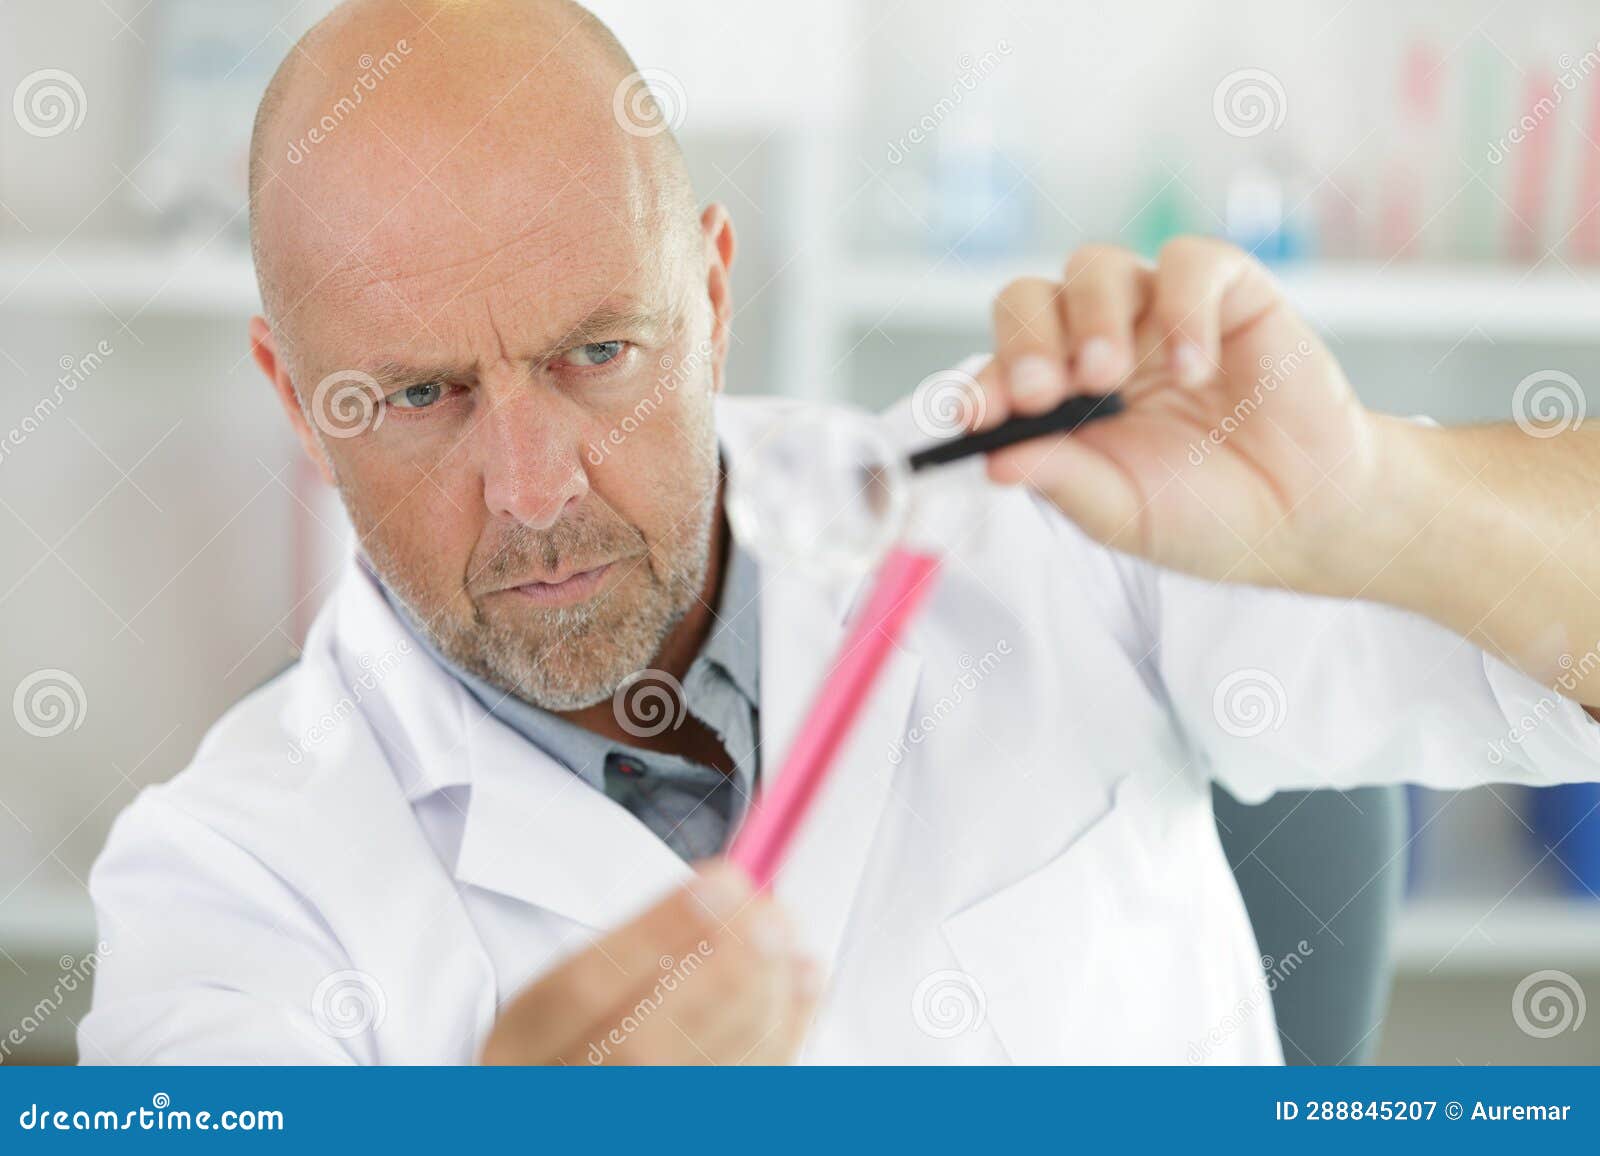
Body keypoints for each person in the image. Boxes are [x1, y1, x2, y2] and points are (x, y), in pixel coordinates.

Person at [80, 0, 1600, 1065]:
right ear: (299, 401)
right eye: (420, 396)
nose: (534, 489)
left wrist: (1375, 503)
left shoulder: (1051, 511)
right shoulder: (226, 888)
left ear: (710, 293)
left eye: (599, 353)